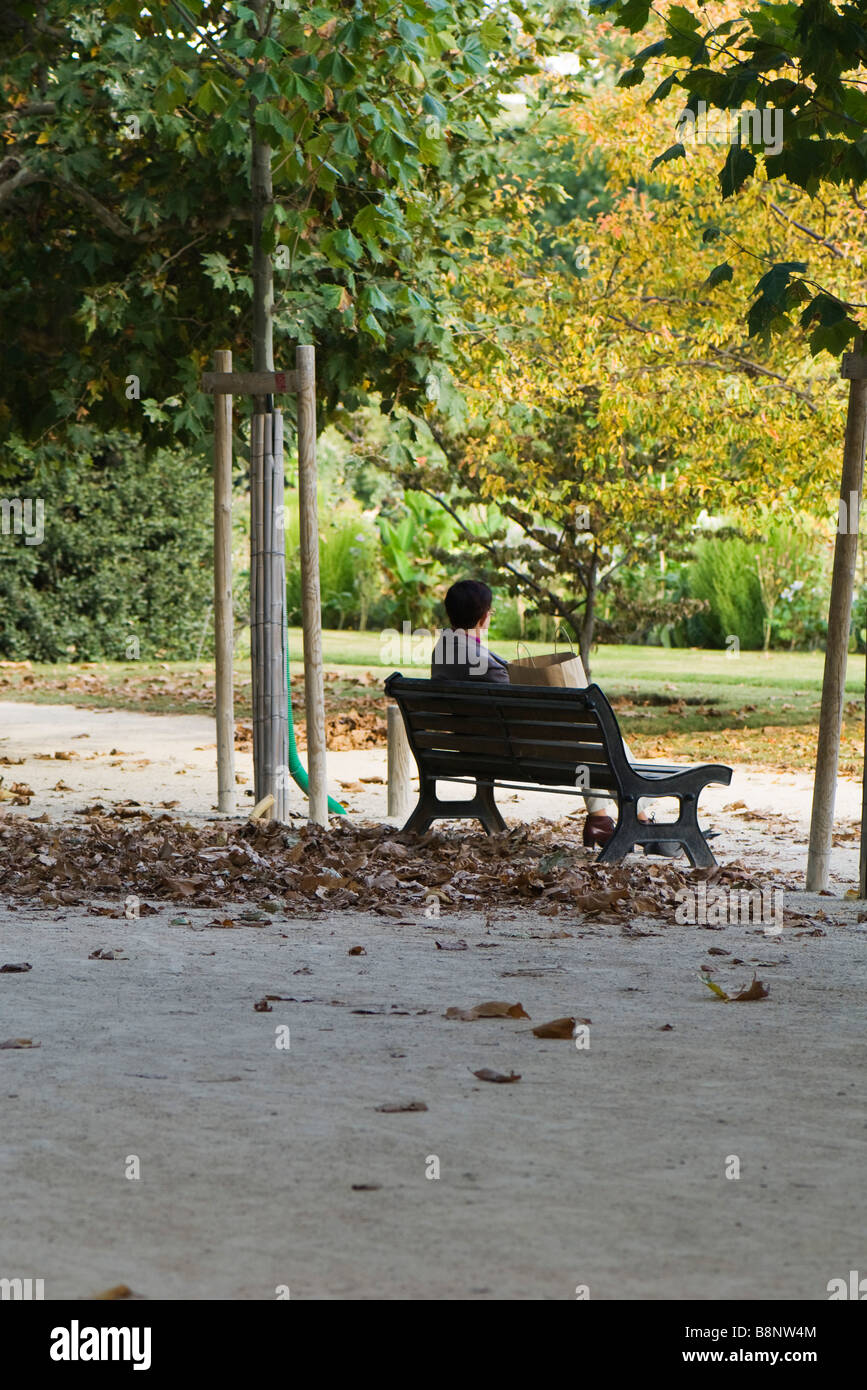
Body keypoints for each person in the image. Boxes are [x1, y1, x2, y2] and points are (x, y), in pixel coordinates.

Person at [430, 578, 673, 852]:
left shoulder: (444, 650)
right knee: (600, 740)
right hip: (518, 752)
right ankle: (643, 822)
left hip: (474, 749)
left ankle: (603, 820)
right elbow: (522, 708)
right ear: (484, 616)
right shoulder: (482, 662)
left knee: (590, 742)